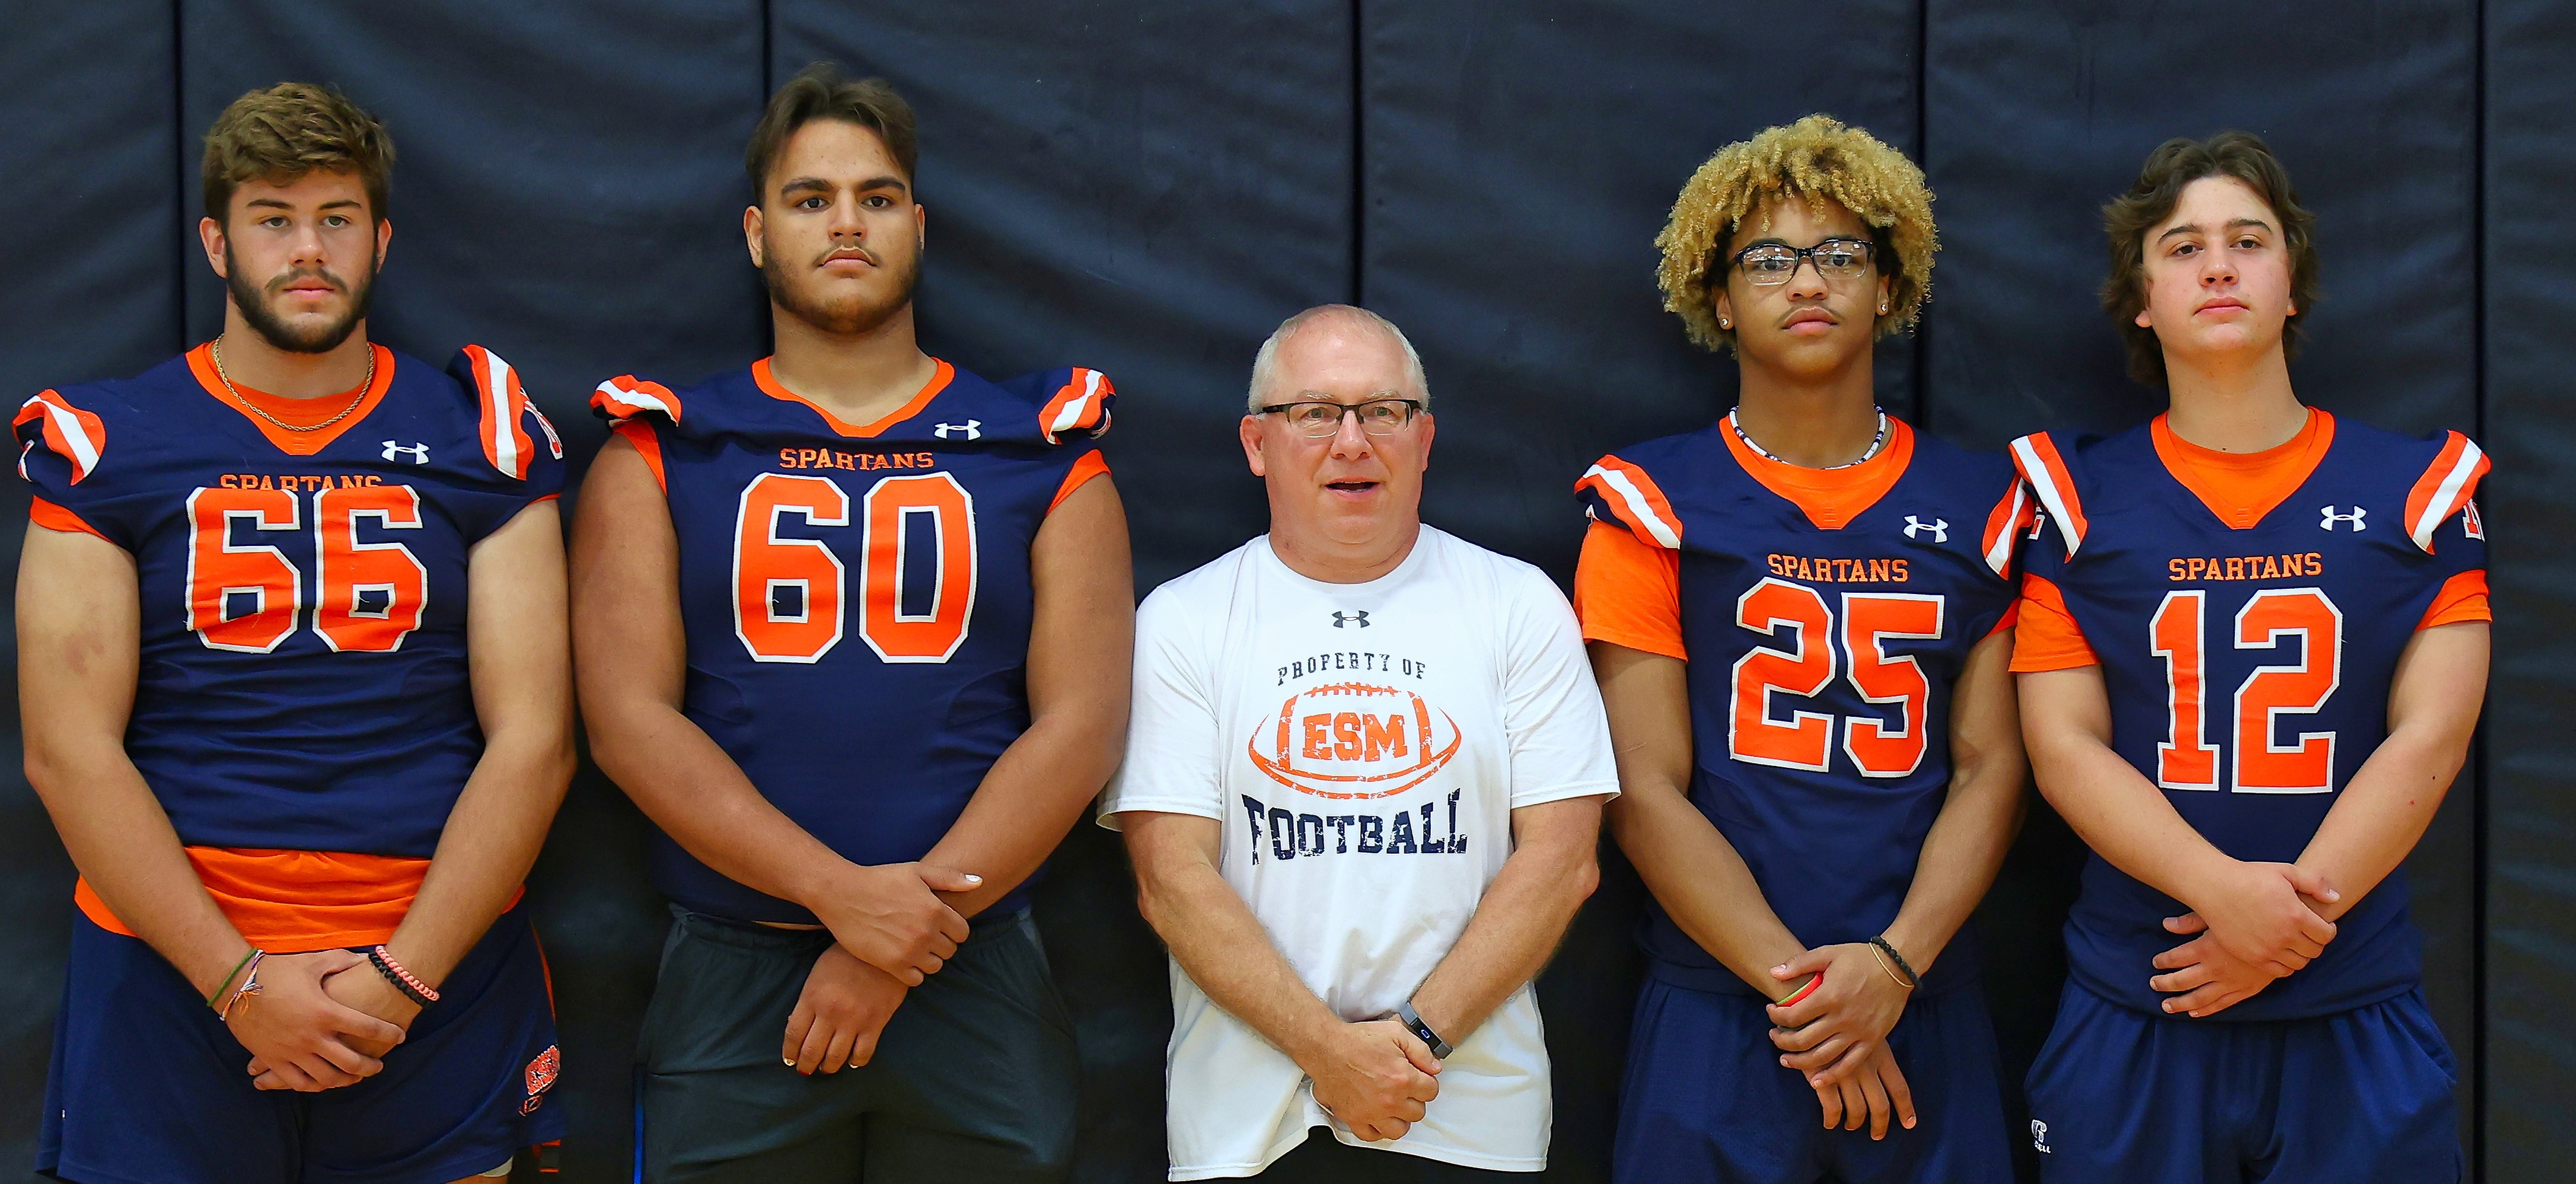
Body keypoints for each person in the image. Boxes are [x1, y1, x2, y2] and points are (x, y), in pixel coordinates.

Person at [571, 63, 1133, 1183]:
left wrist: (896, 946)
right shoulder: (664, 448)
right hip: (738, 966)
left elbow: (1084, 728)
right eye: (809, 197)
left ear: (917, 225)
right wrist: (839, 895)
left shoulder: (1042, 447)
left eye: (876, 198)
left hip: (972, 970)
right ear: (754, 232)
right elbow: (628, 721)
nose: (845, 223)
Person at [19, 83, 573, 1183]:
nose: (308, 250)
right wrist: (236, 982)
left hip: (435, 962)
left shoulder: (482, 436)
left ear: (382, 238)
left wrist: (402, 979)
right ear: (218, 243)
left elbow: (537, 740)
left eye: (337, 218)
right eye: (275, 218)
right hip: (172, 966)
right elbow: (66, 748)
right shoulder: (108, 441)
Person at [2010, 132, 2488, 1182]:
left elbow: (2433, 733)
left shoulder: (2420, 490)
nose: (2218, 266)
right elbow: (2062, 744)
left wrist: (2282, 926)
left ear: (2293, 287)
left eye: (2248, 240)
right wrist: (2222, 895)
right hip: (2143, 1001)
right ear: (2141, 298)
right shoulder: (2073, 497)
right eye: (2182, 248)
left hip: (2350, 1002)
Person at [1574, 115, 2025, 1183]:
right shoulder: (1650, 503)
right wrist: (1814, 997)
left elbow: (1993, 765)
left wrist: (1895, 963)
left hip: (1920, 988)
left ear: (1890, 284)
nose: (1808, 281)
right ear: (1720, 296)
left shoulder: (1984, 504)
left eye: (1840, 254)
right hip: (1722, 1001)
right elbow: (1641, 785)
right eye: (1768, 258)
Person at [1104, 304, 1618, 1181]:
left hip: (1468, 1116)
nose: (1352, 441)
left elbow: (1563, 862)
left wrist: (1409, 1045)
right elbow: (1171, 881)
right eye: (1314, 413)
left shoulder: (1518, 605)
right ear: (1256, 443)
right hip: (1246, 1130)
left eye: (1384, 411)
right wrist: (1330, 1053)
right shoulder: (1183, 621)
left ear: (1425, 438)